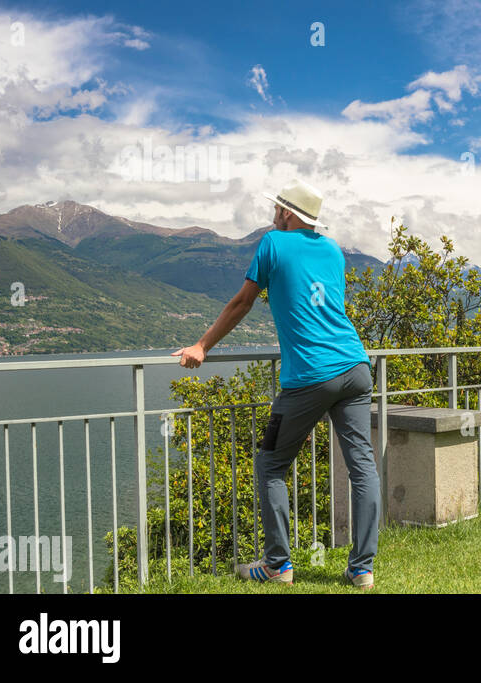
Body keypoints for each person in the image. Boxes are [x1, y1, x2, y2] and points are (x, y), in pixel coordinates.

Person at [171, 179, 380, 589]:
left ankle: (277, 565)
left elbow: (242, 303)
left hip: (309, 377)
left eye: (276, 209)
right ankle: (362, 570)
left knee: (270, 465)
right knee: (363, 469)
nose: (272, 215)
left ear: (287, 213)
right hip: (356, 367)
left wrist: (201, 346)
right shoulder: (334, 251)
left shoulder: (272, 244)